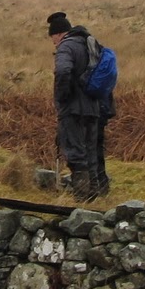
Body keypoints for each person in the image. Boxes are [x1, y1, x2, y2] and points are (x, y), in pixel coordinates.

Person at [48, 12, 103, 199]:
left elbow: (63, 70)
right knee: (90, 151)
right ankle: (93, 195)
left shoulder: (66, 47)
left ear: (57, 34)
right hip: (93, 107)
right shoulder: (89, 44)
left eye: (52, 38)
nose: (53, 42)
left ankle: (81, 196)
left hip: (73, 109)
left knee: (75, 152)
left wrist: (63, 96)